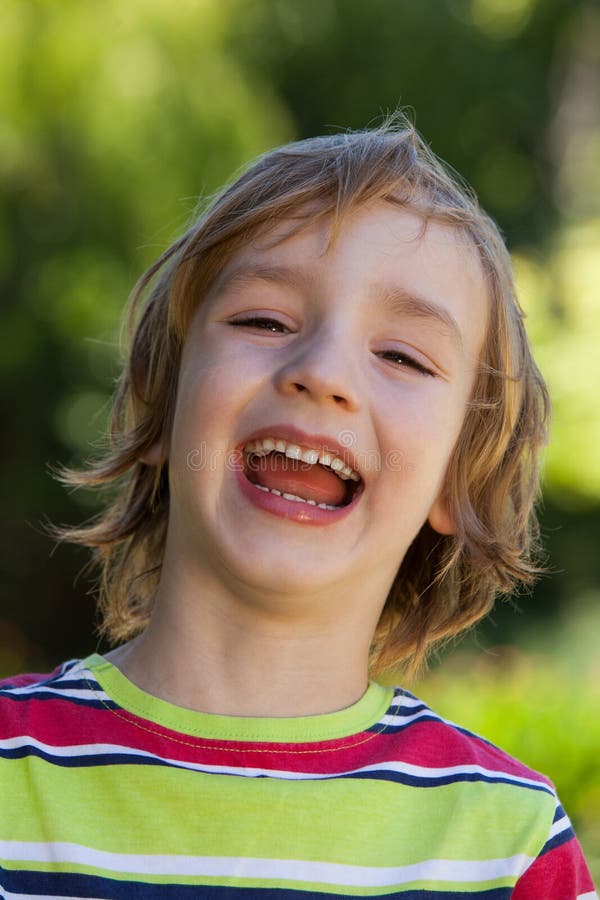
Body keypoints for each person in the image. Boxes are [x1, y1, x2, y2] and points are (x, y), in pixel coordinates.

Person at [1, 114, 597, 899]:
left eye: (402, 355)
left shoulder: (508, 845)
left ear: (460, 476)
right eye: (263, 320)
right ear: (160, 400)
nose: (322, 372)